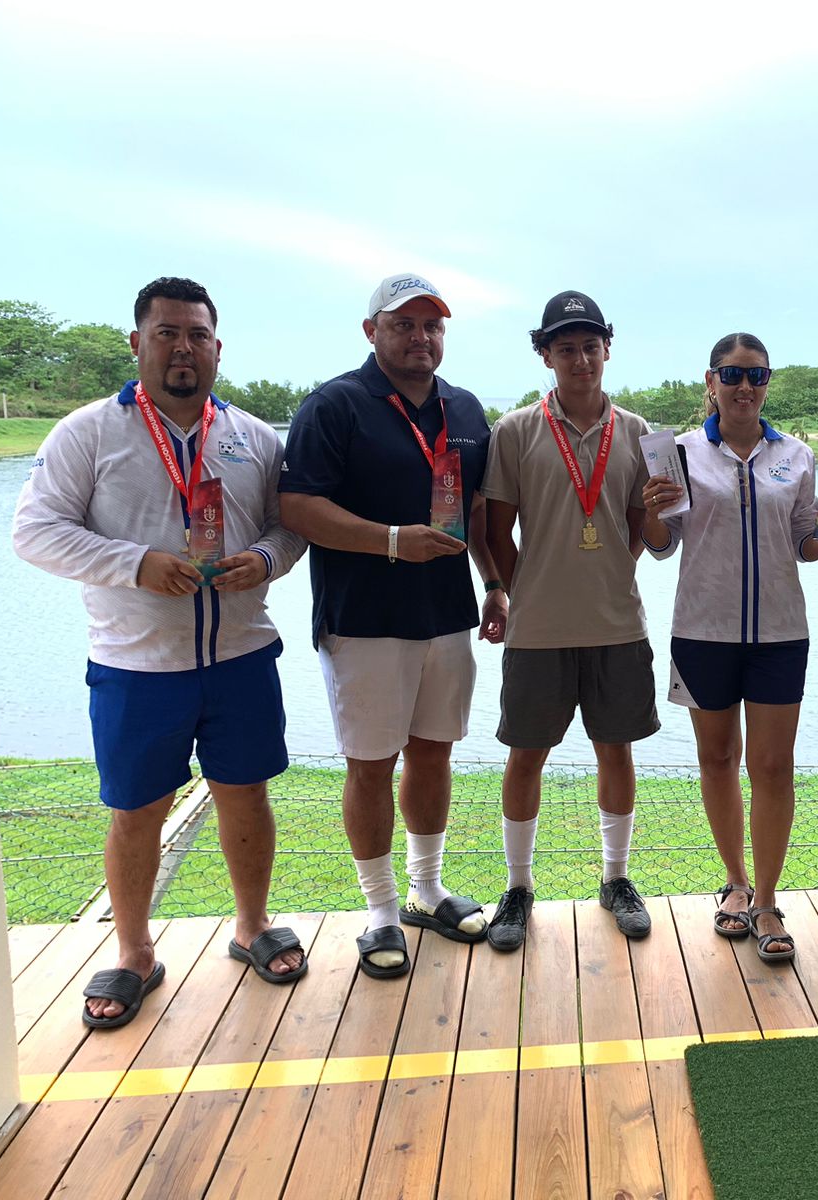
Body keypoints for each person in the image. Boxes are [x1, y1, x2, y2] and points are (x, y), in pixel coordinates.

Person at [13, 277, 307, 1028]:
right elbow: (35, 532)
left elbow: (290, 526)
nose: (184, 347)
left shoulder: (252, 435)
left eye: (197, 335)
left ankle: (250, 926)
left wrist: (266, 562)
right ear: (137, 342)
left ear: (217, 348)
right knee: (137, 809)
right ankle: (134, 953)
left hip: (241, 653)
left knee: (247, 793)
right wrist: (134, 562)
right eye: (168, 333)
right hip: (134, 664)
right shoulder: (88, 432)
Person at [279, 273, 505, 979]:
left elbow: (479, 515)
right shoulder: (335, 405)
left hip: (447, 616)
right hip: (364, 620)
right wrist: (389, 540)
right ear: (372, 331)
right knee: (371, 765)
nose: (420, 338)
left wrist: (495, 585)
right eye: (403, 324)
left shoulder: (465, 409)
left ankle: (425, 891)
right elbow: (297, 507)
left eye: (432, 325)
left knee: (435, 754)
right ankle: (378, 912)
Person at [641, 334, 818, 963]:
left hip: (780, 635)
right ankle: (733, 884)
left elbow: (805, 543)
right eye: (732, 375)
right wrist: (649, 512)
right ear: (711, 380)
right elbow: (660, 545)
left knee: (772, 767)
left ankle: (766, 900)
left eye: (757, 377)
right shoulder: (678, 452)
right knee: (716, 759)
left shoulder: (795, 453)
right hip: (701, 630)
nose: (744, 387)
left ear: (768, 384)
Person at [481, 290, 658, 951]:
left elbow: (642, 524)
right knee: (526, 757)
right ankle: (519, 887)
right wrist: (508, 589)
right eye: (565, 348)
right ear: (545, 355)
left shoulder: (638, 432)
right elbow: (496, 529)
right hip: (537, 629)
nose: (580, 359)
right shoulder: (516, 430)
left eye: (590, 345)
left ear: (607, 348)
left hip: (618, 623)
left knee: (617, 750)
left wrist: (612, 563)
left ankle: (615, 879)